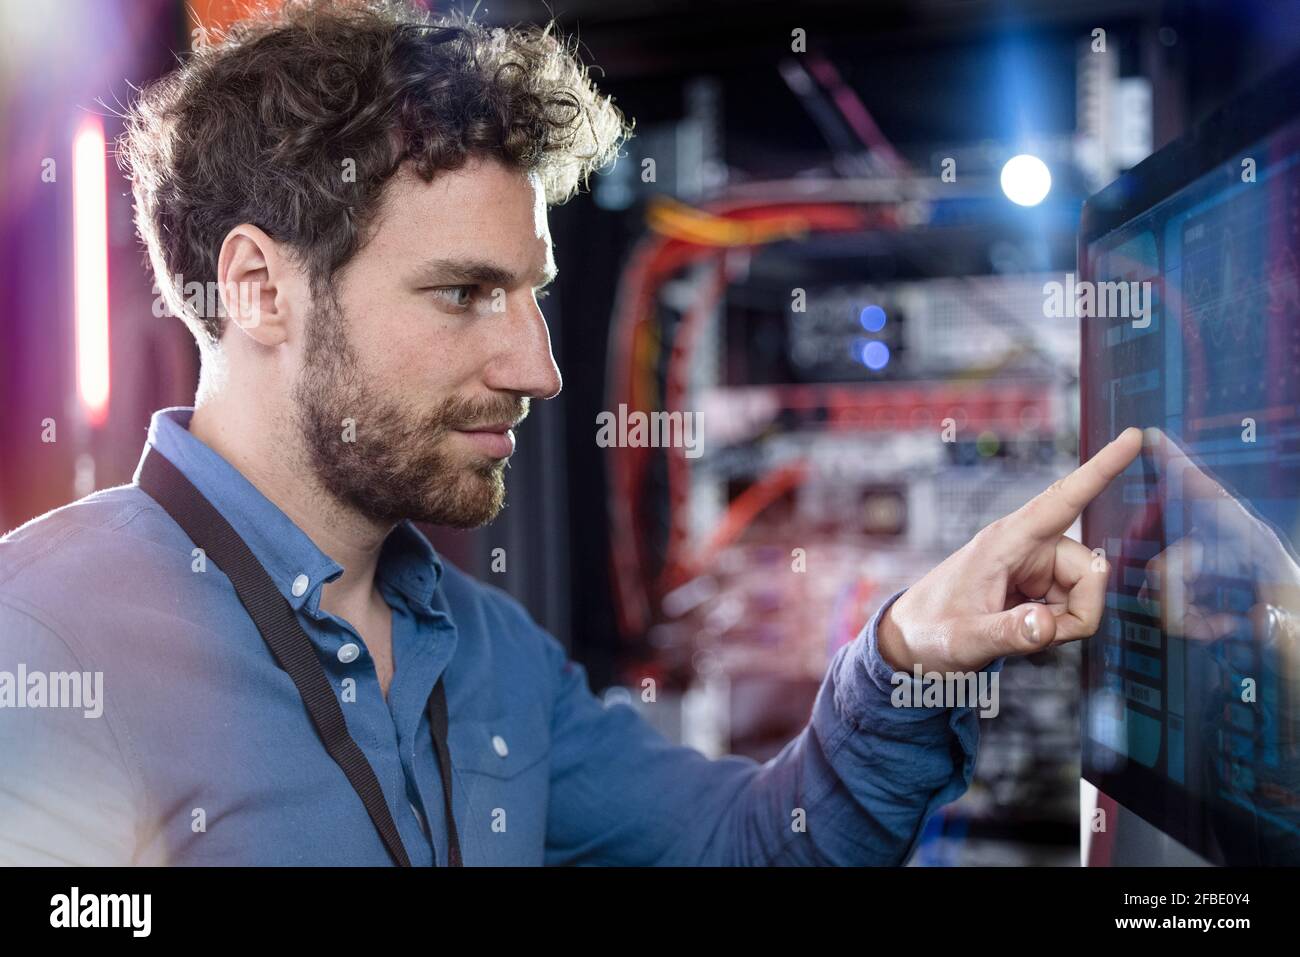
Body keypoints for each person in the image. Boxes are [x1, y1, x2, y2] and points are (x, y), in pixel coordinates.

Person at [0, 0, 1142, 865]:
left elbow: (759, 843)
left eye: (531, 296)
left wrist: (905, 662)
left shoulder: (489, 652)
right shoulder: (45, 646)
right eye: (461, 294)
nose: (537, 370)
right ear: (258, 289)